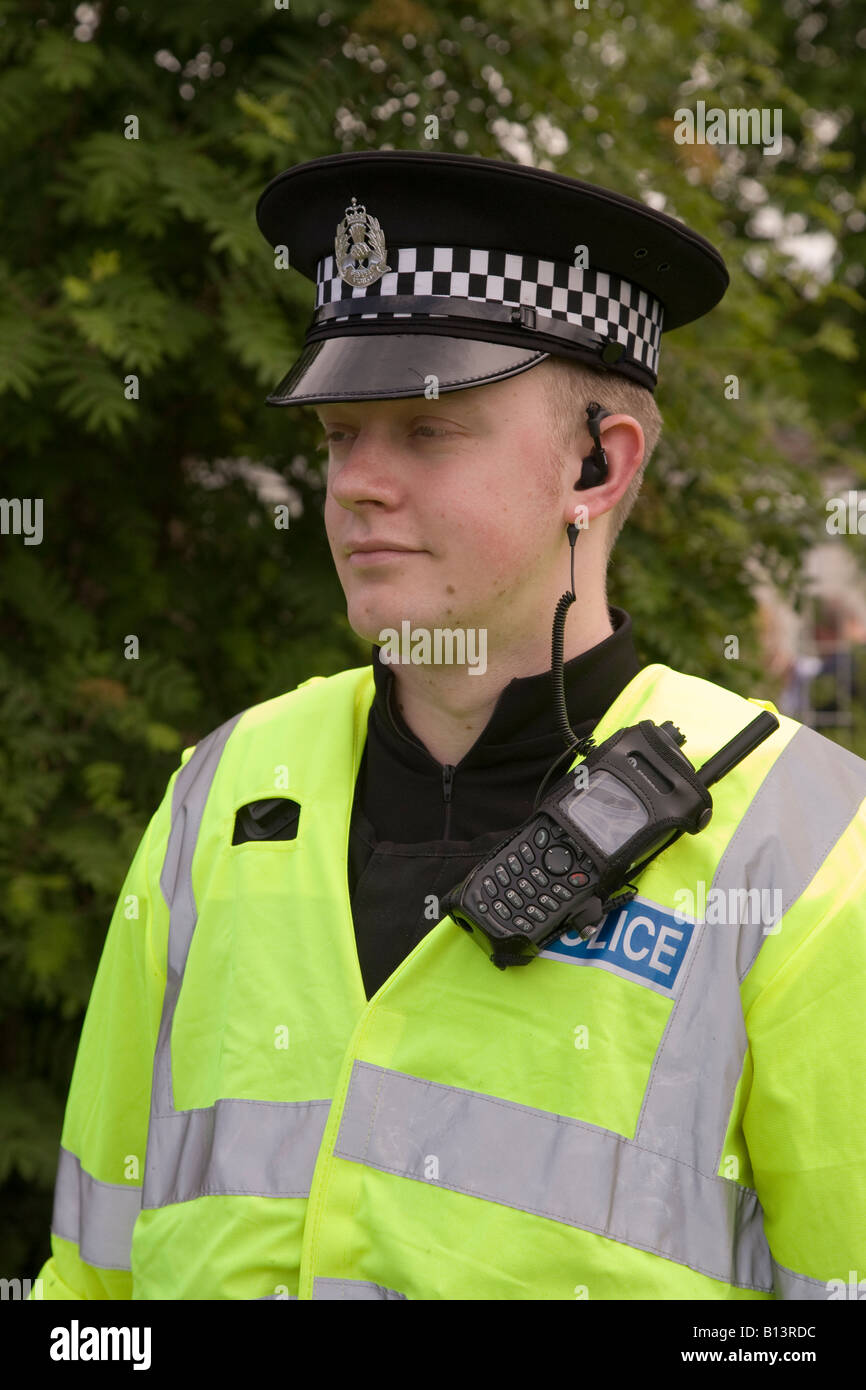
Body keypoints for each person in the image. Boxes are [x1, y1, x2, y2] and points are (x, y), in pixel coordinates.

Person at [31, 151, 866, 1301]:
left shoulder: (805, 845)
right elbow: (91, 1283)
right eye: (337, 437)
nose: (357, 484)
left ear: (596, 464)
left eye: (424, 430)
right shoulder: (217, 794)